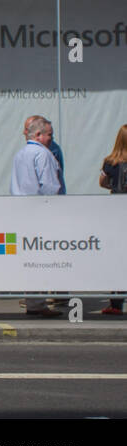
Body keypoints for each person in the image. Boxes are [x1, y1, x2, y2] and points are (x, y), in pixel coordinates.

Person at [10, 115, 64, 318]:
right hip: (40, 212)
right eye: (49, 134)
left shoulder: (21, 153)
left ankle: (34, 300)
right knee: (41, 258)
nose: (52, 138)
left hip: (22, 211)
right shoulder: (43, 154)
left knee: (29, 259)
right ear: (39, 135)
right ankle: (38, 302)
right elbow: (50, 186)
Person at [98, 125, 127, 315]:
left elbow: (102, 182)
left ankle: (115, 304)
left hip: (117, 211)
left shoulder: (110, 162)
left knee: (118, 258)